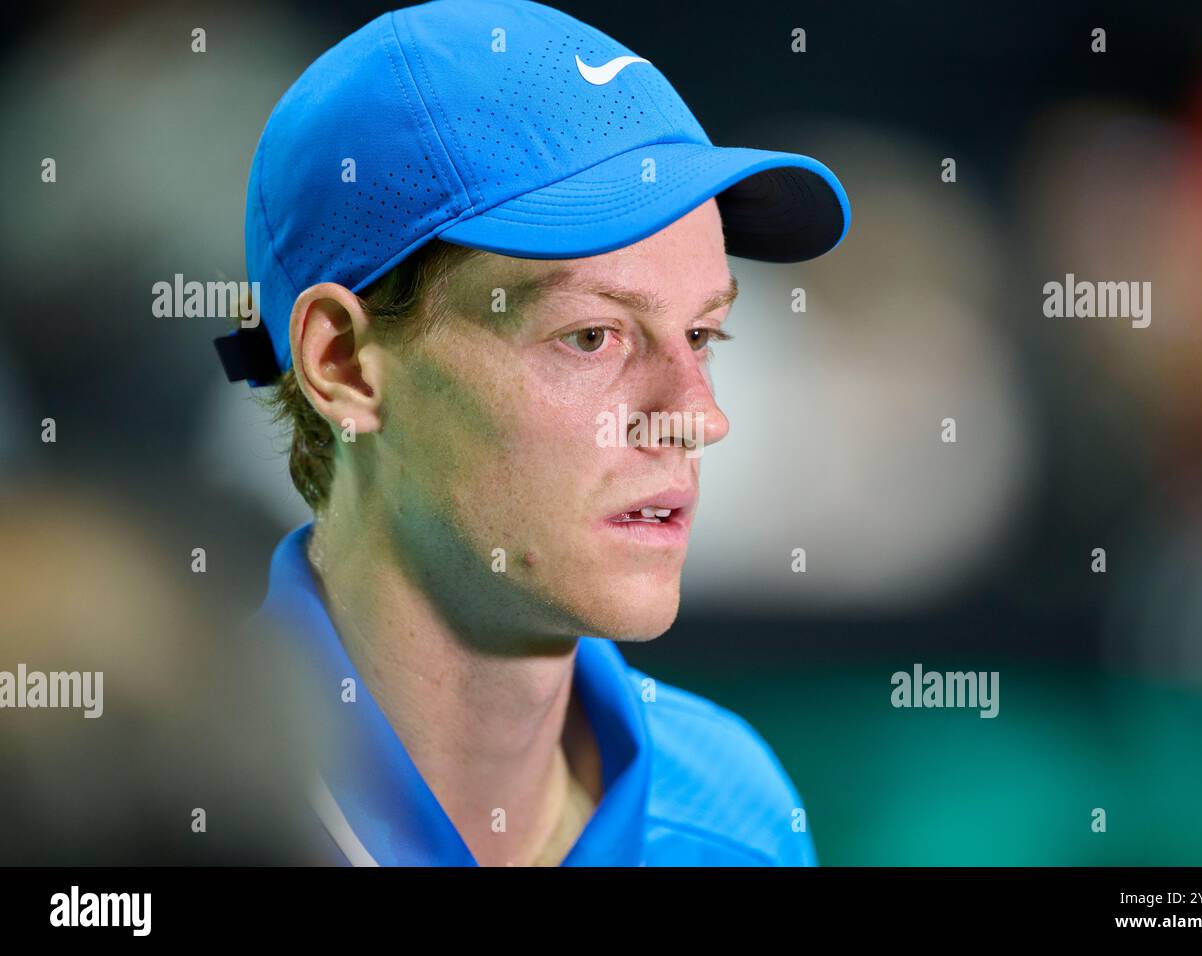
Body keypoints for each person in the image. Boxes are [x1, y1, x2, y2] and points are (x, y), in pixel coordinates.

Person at [216, 0, 850, 866]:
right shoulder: (154, 812)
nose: (699, 417)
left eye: (702, 335)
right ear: (344, 365)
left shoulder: (735, 807)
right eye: (591, 335)